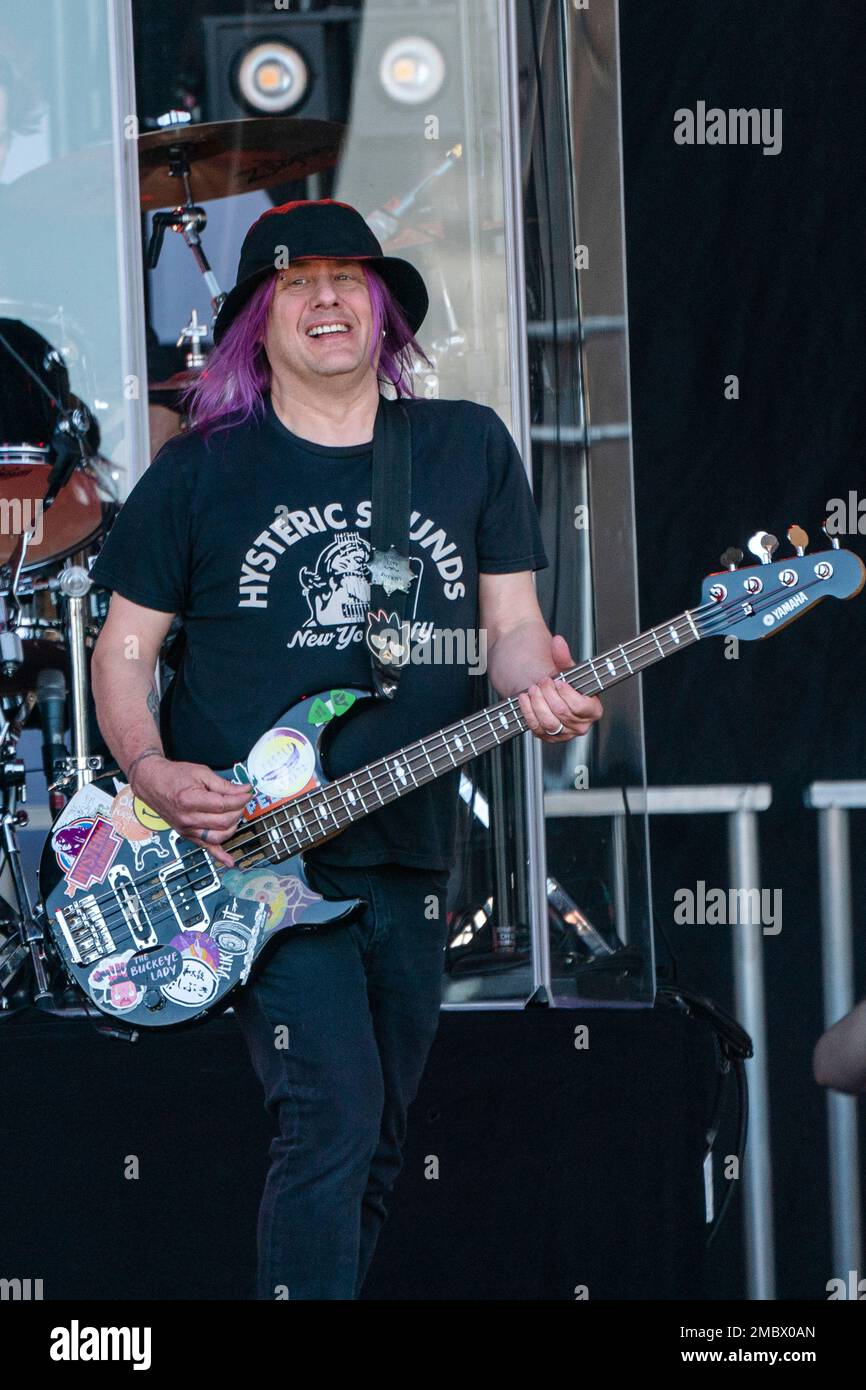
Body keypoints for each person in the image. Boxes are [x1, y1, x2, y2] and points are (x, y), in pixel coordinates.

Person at [89, 198, 603, 1300]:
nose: (323, 297)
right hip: (252, 856)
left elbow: (512, 634)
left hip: (403, 848)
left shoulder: (463, 446)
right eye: (292, 280)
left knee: (372, 1146)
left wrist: (541, 686)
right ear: (254, 322)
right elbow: (124, 653)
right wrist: (150, 770)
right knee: (329, 1119)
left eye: (345, 277)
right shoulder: (200, 472)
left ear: (379, 308)